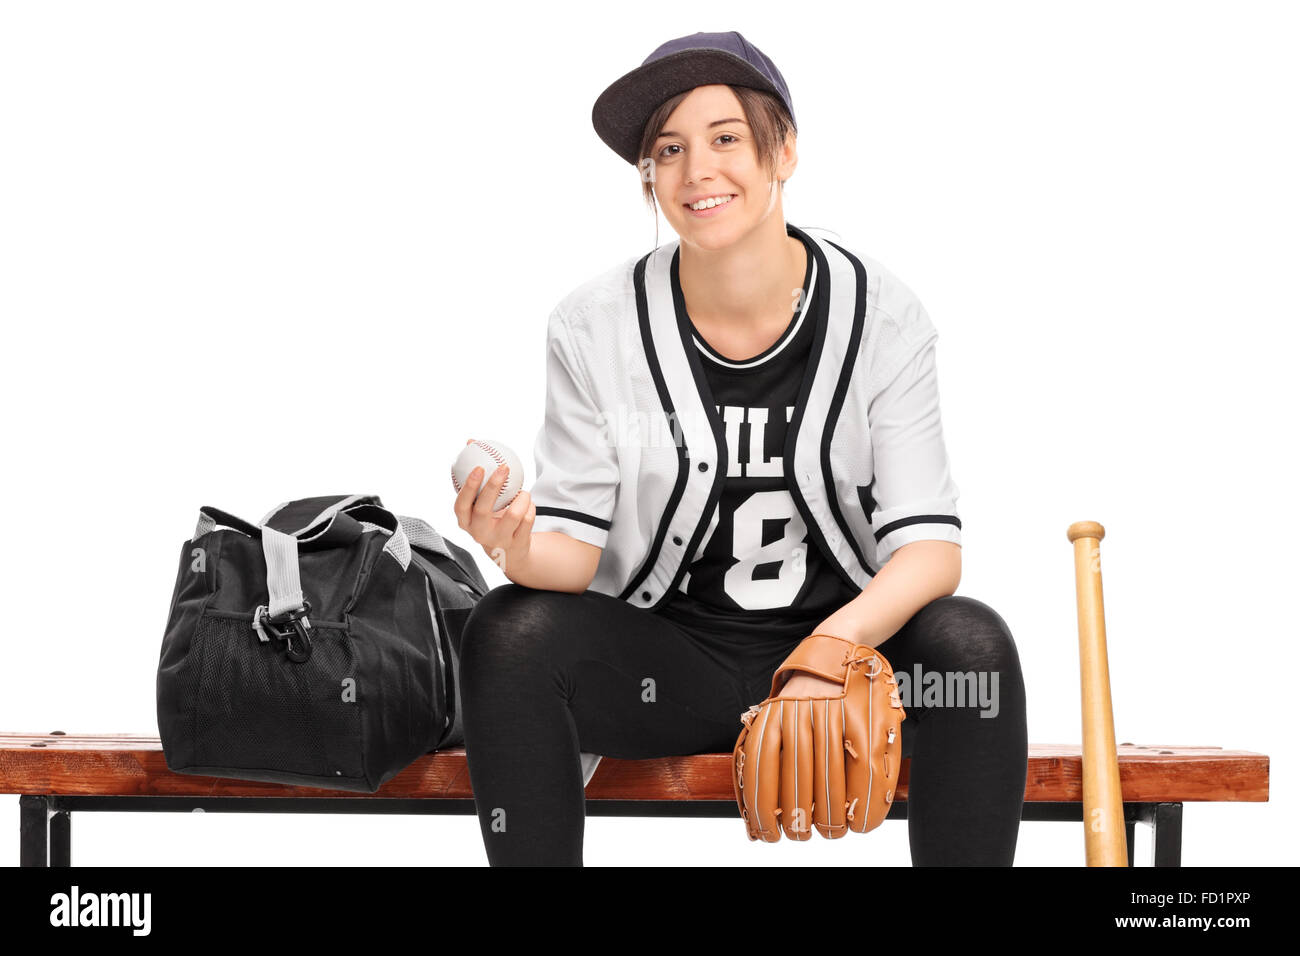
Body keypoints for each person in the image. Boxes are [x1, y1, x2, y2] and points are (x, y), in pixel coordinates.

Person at [451, 31, 1028, 866]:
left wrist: (830, 650)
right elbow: (572, 558)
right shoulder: (593, 324)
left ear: (782, 149)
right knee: (508, 629)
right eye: (669, 150)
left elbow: (932, 551)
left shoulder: (884, 314)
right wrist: (509, 543)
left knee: (973, 650)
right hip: (671, 669)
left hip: (848, 664)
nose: (696, 172)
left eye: (725, 138)